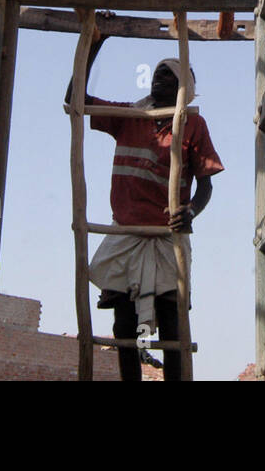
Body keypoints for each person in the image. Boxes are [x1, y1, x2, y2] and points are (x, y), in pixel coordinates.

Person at [64, 23, 224, 381]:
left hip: (167, 238)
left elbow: (205, 186)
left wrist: (191, 211)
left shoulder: (193, 125)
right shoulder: (129, 117)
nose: (157, 81)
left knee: (173, 323)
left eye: (168, 77)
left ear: (184, 89)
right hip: (127, 233)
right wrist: (93, 46)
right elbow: (73, 101)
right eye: (156, 75)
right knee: (124, 323)